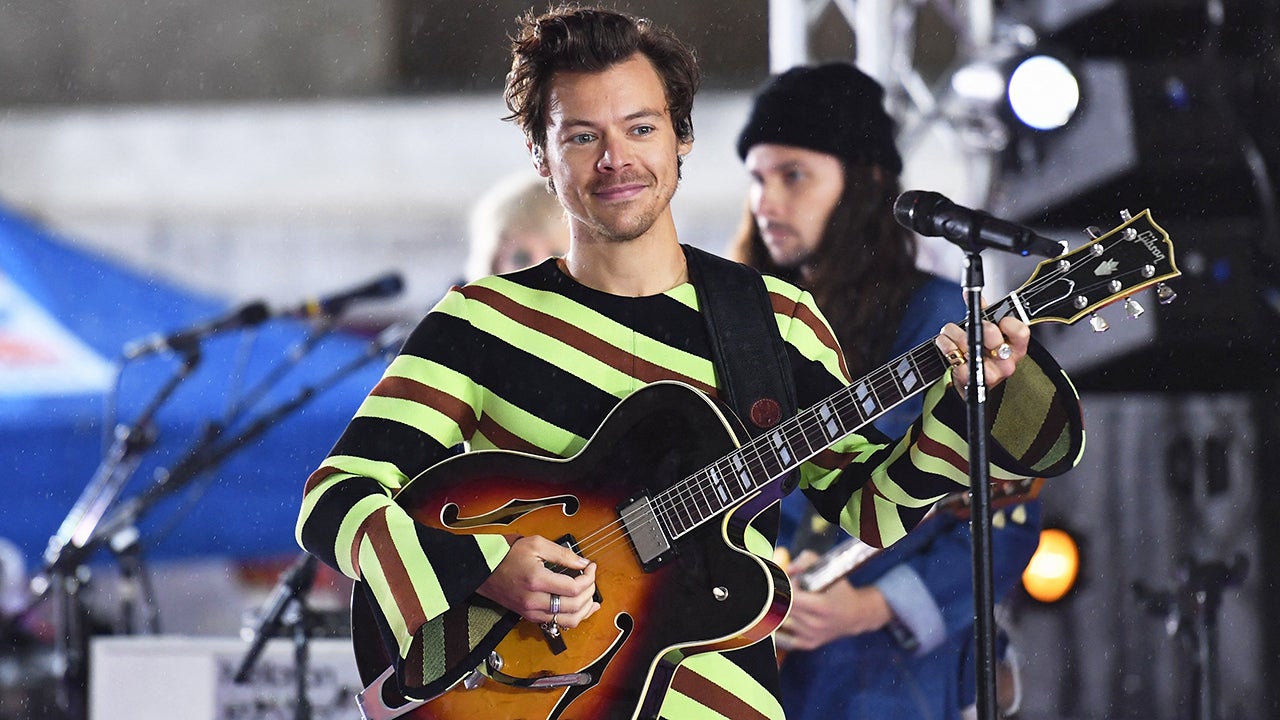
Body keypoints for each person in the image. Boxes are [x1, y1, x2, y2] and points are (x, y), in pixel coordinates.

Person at [295, 7, 1083, 720]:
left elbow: (866, 508)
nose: (616, 159)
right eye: (581, 135)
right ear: (541, 155)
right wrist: (484, 567)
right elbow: (336, 498)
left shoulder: (777, 319)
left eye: (641, 128)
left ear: (682, 140)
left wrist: (963, 408)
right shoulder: (481, 321)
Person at [731, 63, 1043, 720]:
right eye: (757, 179)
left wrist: (871, 607)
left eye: (794, 176)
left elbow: (1007, 520)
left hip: (887, 677)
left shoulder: (942, 324)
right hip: (749, 670)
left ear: (867, 183)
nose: (767, 202)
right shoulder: (738, 321)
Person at [464, 171, 570, 282]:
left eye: (556, 259)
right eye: (521, 259)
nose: (538, 274)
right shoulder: (456, 298)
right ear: (494, 265)